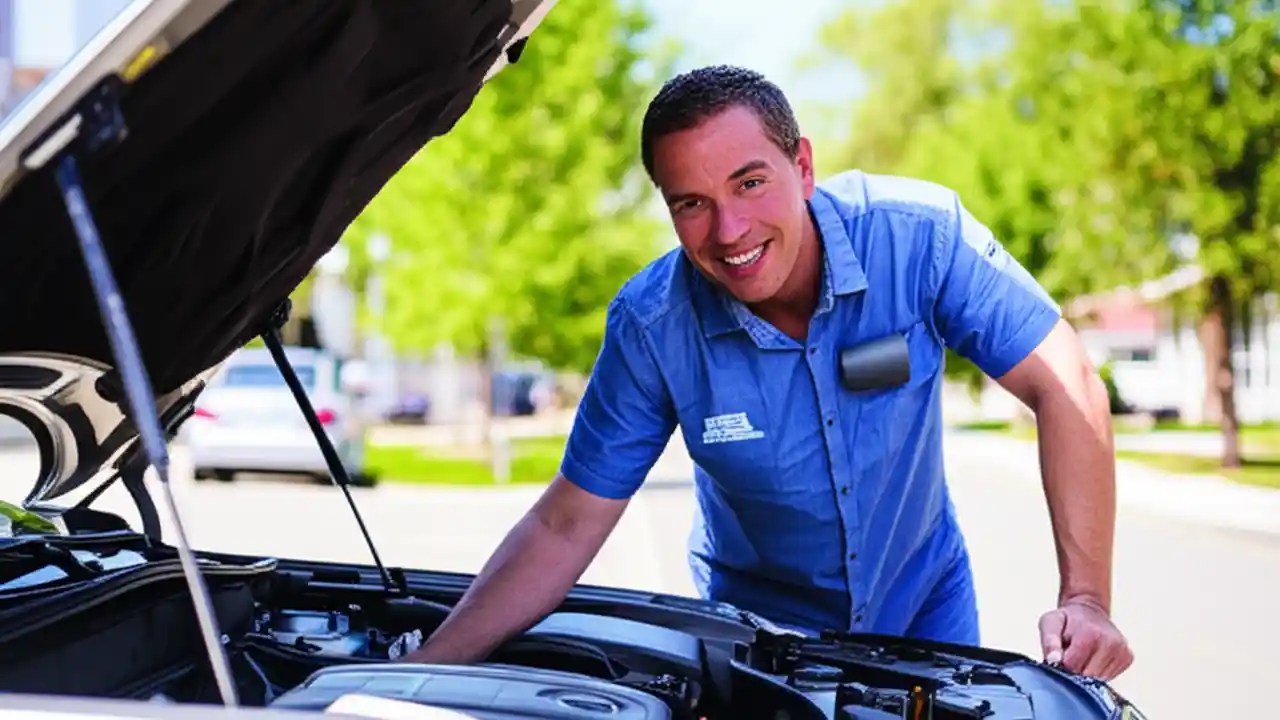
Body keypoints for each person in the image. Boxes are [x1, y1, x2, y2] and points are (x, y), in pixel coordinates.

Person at [403, 65, 1133, 680]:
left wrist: (1087, 599)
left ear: (804, 166)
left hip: (927, 612)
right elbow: (565, 525)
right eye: (692, 203)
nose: (729, 231)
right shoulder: (653, 326)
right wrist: (425, 671)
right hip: (757, 645)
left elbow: (1063, 380)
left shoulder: (920, 238)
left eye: (750, 183)